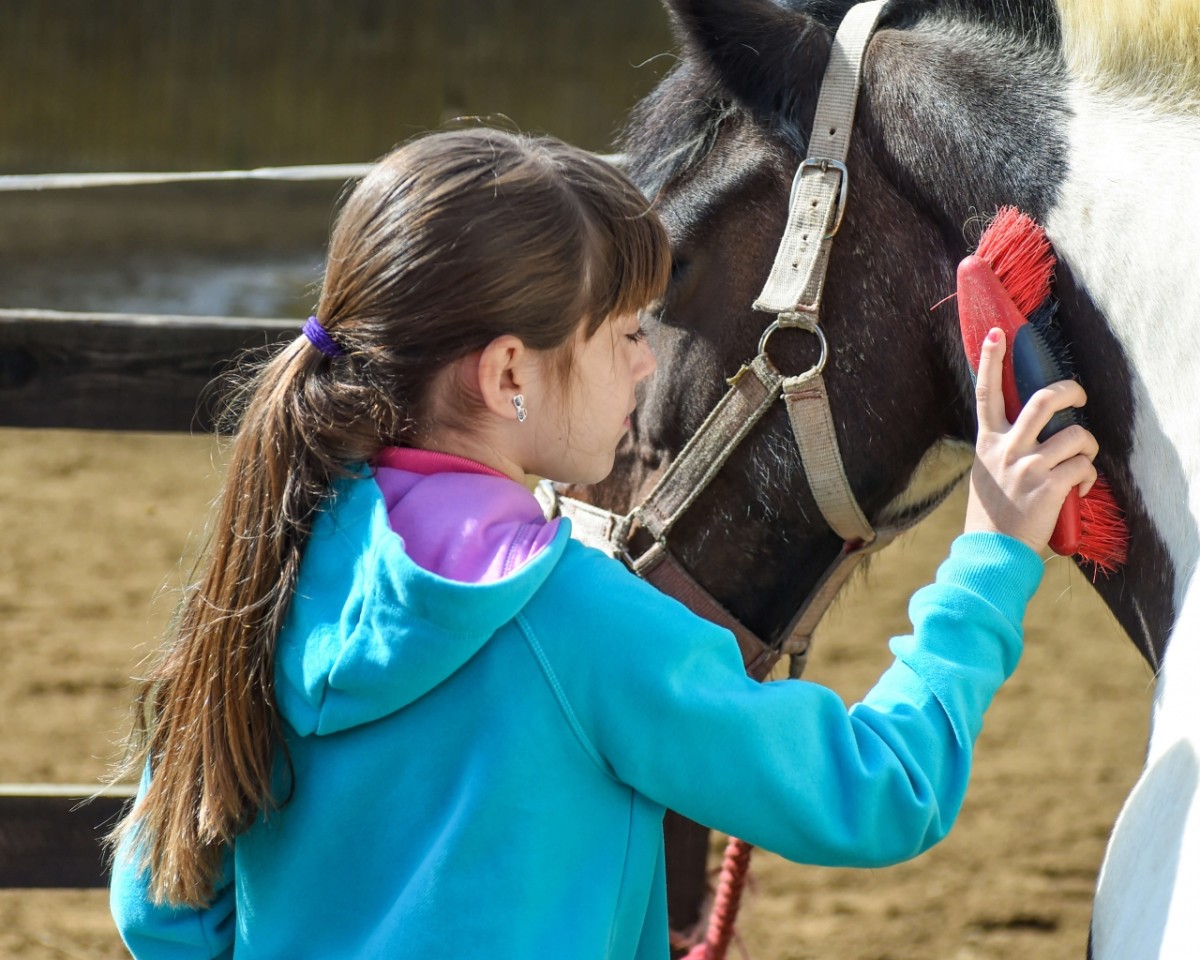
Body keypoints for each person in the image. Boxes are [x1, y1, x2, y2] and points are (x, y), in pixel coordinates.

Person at [108, 127, 1099, 959]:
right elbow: (881, 792)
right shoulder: (583, 624)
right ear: (509, 377)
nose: (643, 366)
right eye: (625, 331)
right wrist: (990, 554)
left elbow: (158, 908)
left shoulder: (270, 564)